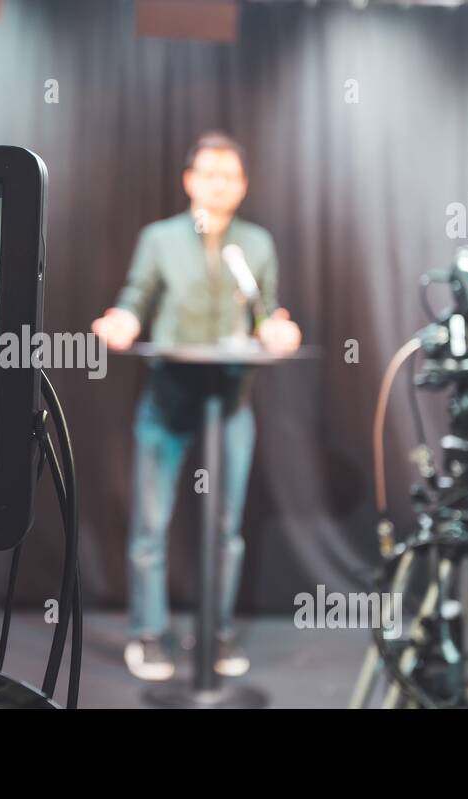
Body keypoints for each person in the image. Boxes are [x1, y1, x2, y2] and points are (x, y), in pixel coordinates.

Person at [92, 132, 302, 681]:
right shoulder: (159, 239)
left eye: (229, 177)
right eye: (208, 174)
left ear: (243, 186)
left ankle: (217, 631)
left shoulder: (256, 244)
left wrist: (277, 331)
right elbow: (136, 300)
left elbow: (266, 312)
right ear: (189, 181)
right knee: (151, 525)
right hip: (168, 403)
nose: (218, 185)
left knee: (227, 528)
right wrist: (121, 322)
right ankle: (148, 634)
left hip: (230, 404)